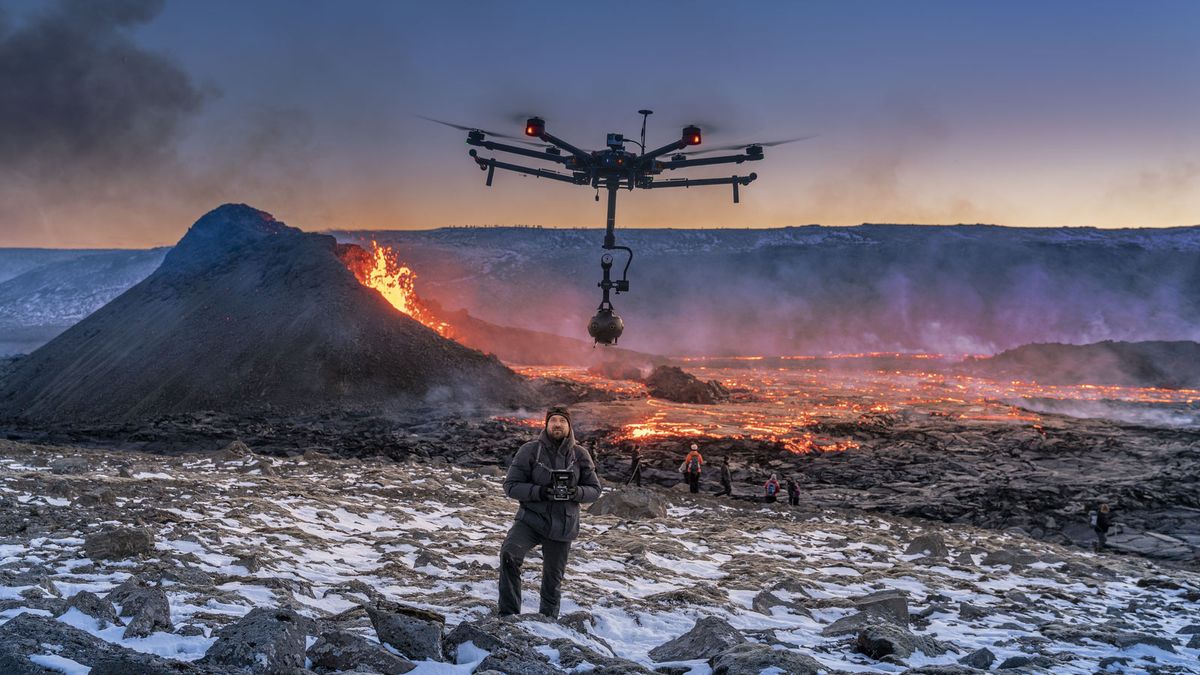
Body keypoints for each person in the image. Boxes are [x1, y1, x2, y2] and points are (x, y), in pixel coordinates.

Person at [499, 406, 603, 618]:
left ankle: (547, 620)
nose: (558, 424)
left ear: (569, 425)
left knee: (553, 579)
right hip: (530, 520)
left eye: (562, 421)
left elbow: (595, 490)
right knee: (509, 553)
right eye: (553, 420)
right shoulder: (530, 450)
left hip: (563, 525)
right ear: (546, 424)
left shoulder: (580, 455)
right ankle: (508, 615)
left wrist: (577, 492)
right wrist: (540, 492)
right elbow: (510, 486)